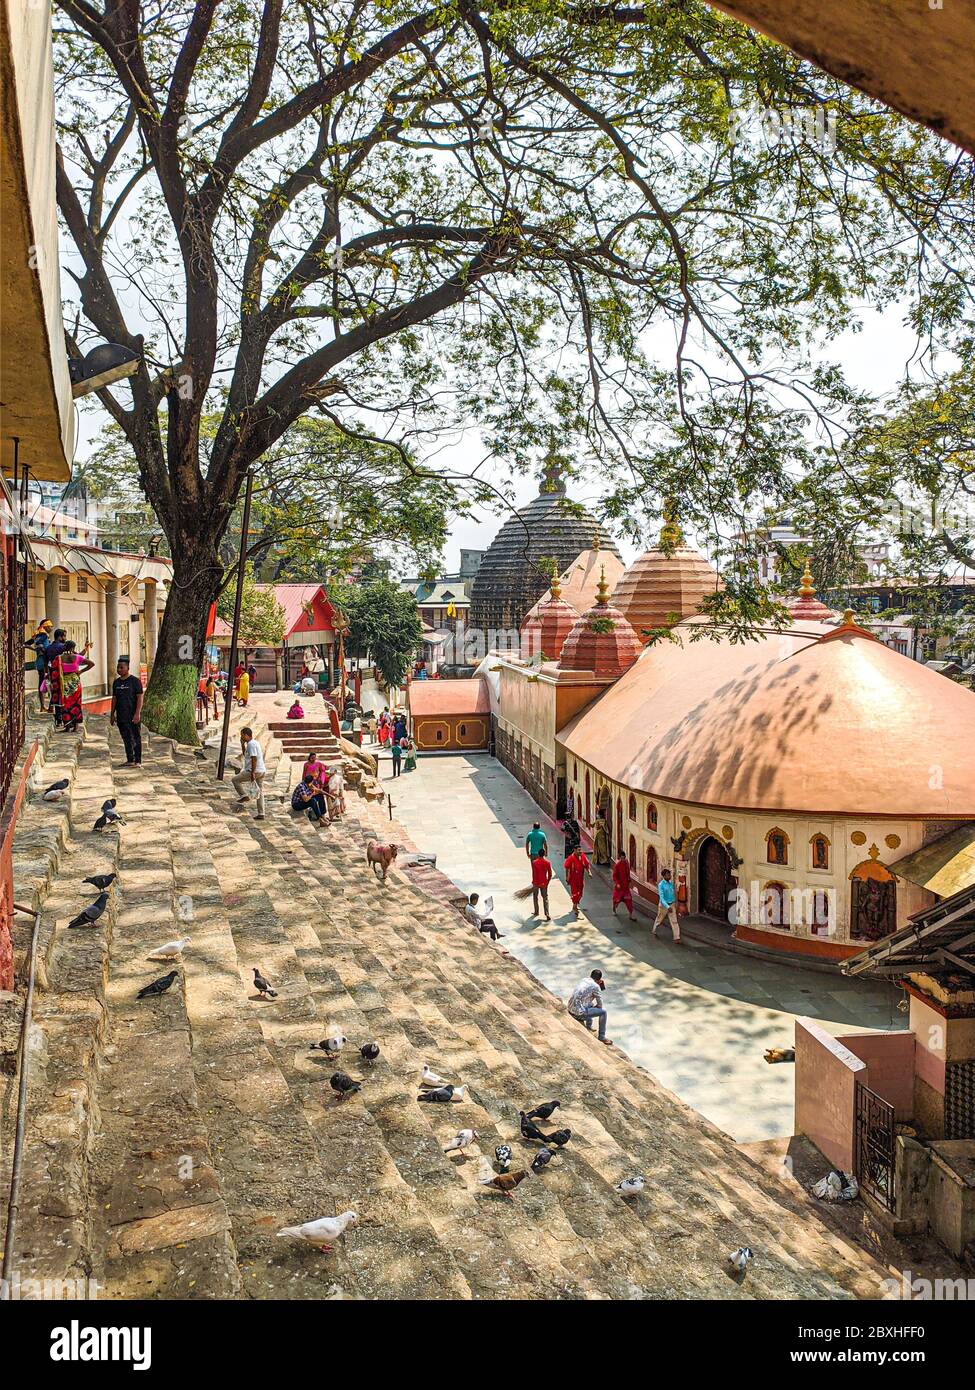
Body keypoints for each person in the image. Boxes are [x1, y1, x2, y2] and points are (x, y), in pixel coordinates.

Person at [111, 658, 144, 766]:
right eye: (118, 667)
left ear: (128, 668)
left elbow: (140, 698)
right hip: (121, 715)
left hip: (133, 715)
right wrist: (112, 714)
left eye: (122, 667)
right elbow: (114, 699)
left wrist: (137, 713)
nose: (119, 669)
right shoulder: (116, 683)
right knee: (126, 738)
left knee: (136, 737)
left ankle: (137, 761)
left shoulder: (135, 681)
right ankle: (130, 759)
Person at [55, 641, 94, 733]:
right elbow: (91, 664)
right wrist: (81, 671)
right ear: (73, 648)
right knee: (76, 704)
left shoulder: (59, 658)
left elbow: (53, 669)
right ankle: (76, 727)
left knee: (65, 705)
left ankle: (67, 727)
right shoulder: (77, 657)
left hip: (64, 683)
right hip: (75, 683)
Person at [567, 969, 611, 1044]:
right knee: (603, 1012)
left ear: (590, 975)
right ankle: (602, 1037)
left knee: (589, 1003)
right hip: (578, 1013)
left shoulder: (583, 980)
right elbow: (600, 1004)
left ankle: (589, 1026)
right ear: (599, 979)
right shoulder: (595, 986)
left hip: (570, 1008)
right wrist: (599, 986)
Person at [232, 727, 266, 819]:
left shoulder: (251, 744)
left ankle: (244, 795)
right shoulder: (252, 743)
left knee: (235, 780)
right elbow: (246, 755)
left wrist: (253, 773)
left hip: (255, 770)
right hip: (261, 770)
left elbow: (254, 758)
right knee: (260, 791)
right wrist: (242, 745)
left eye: (242, 735)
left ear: (246, 735)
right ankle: (261, 813)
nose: (241, 737)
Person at [25, 619, 53, 707]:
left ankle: (43, 706)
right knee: (46, 682)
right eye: (50, 626)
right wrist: (45, 652)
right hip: (44, 661)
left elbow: (27, 643)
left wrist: (33, 649)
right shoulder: (43, 635)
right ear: (45, 626)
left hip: (40, 661)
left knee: (43, 682)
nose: (51, 628)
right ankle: (44, 706)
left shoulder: (38, 635)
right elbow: (40, 646)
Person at [44, 628, 68, 726]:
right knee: (65, 696)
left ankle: (58, 719)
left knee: (56, 695)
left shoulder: (49, 648)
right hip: (63, 674)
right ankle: (66, 718)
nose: (65, 638)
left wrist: (48, 674)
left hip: (53, 674)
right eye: (64, 636)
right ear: (60, 637)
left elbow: (46, 662)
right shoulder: (63, 647)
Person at [652, 868, 680, 943]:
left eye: (669, 874)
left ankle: (676, 937)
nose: (669, 876)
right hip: (664, 905)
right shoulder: (661, 885)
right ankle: (654, 930)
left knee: (674, 921)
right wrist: (667, 907)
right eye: (667, 875)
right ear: (664, 876)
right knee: (659, 919)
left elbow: (672, 894)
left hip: (672, 904)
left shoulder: (670, 883)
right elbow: (662, 898)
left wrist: (674, 903)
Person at [564, 846, 591, 919]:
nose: (580, 851)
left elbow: (587, 865)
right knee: (575, 893)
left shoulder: (582, 856)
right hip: (573, 879)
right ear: (574, 850)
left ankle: (575, 904)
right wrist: (567, 877)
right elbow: (567, 868)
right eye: (578, 850)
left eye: (580, 850)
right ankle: (575, 907)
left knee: (580, 893)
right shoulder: (570, 858)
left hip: (580, 878)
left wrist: (589, 872)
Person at [612, 851, 636, 922]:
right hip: (619, 888)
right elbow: (614, 876)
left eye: (624, 858)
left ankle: (631, 914)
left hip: (625, 887)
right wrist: (617, 883)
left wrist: (629, 879)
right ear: (619, 858)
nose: (623, 859)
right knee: (616, 900)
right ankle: (614, 909)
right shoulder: (617, 865)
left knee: (629, 900)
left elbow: (627, 872)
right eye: (622, 858)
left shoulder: (626, 863)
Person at [530, 851, 552, 921]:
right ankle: (547, 913)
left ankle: (536, 912)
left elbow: (534, 873)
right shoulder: (547, 863)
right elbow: (550, 874)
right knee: (545, 898)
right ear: (544, 854)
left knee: (535, 897)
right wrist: (547, 882)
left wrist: (534, 882)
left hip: (536, 883)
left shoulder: (534, 862)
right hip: (544, 882)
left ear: (538, 854)